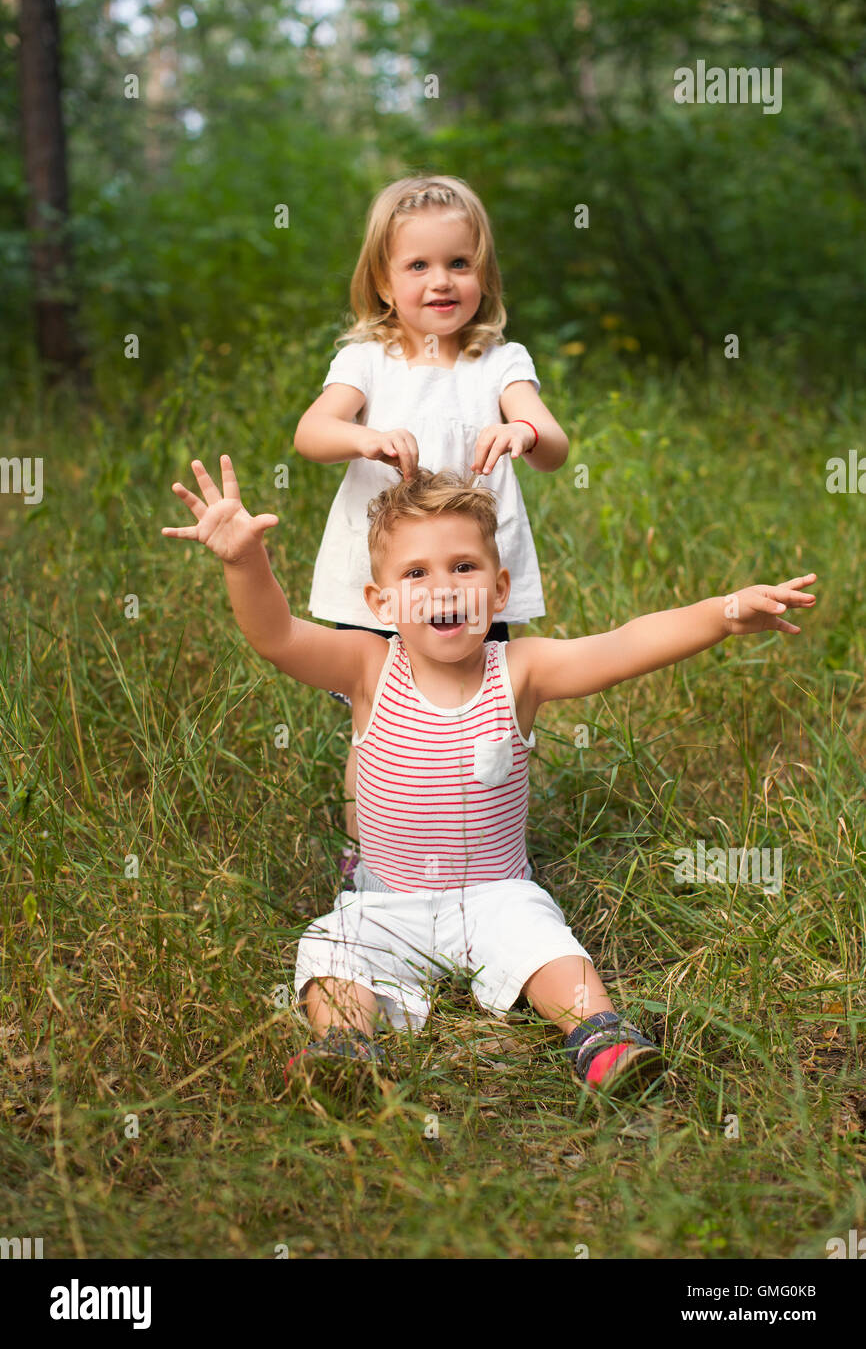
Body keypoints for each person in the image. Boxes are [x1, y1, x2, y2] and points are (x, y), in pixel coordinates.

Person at [161, 456, 816, 1099]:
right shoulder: (366, 667)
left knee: (547, 944)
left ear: (499, 591)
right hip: (386, 901)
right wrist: (244, 562)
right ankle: (344, 1049)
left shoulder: (520, 670)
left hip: (496, 894)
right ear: (379, 600)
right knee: (330, 947)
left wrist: (725, 611)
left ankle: (599, 1035)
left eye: (463, 567)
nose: (443, 587)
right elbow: (276, 636)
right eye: (416, 572)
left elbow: (624, 646)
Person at [292, 174, 569, 862]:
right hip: (385, 576)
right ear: (384, 282)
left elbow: (553, 443)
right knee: (378, 714)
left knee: (481, 707)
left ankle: (485, 841)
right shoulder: (366, 361)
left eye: (459, 263)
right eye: (418, 265)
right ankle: (369, 854)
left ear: (484, 273)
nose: (441, 281)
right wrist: (363, 437)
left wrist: (523, 435)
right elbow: (311, 432)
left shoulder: (501, 361)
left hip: (472, 579)